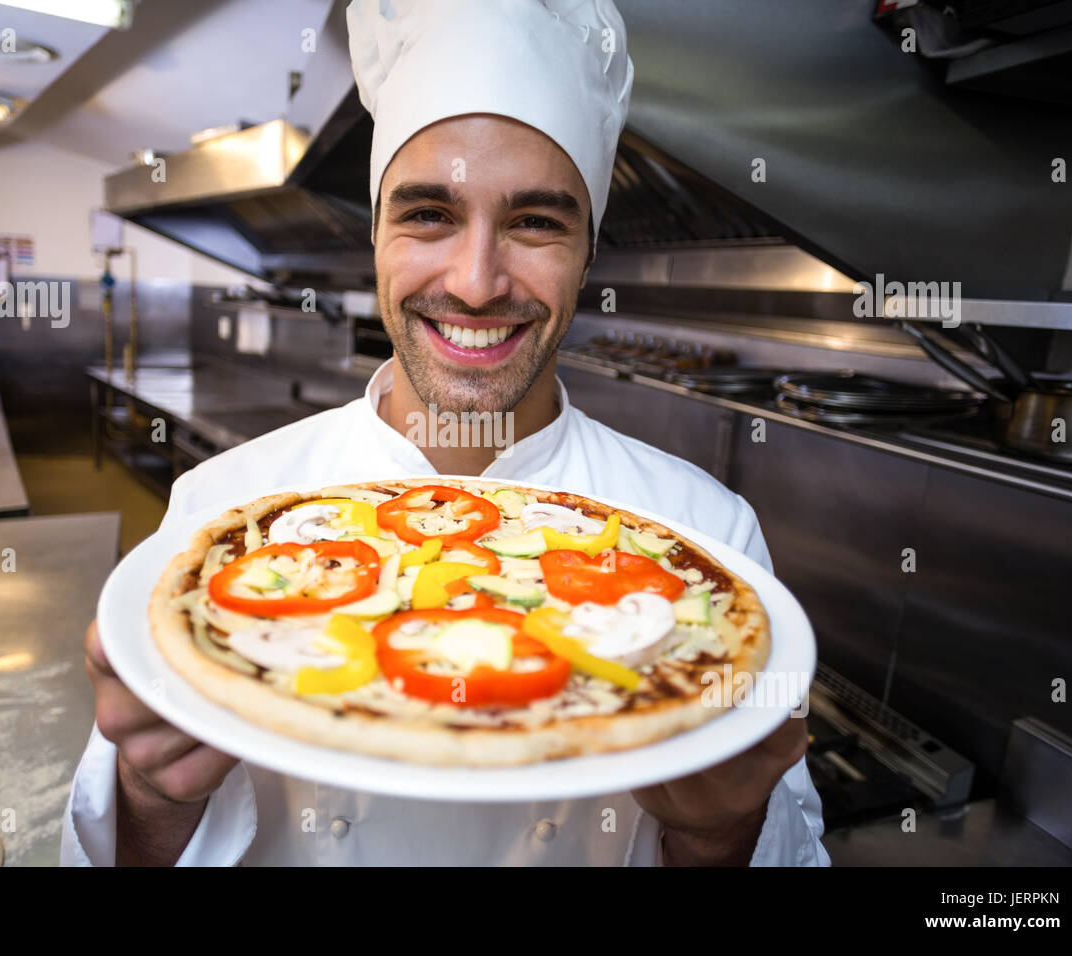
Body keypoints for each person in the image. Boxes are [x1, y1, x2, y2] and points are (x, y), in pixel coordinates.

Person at [64, 0, 828, 866]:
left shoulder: (710, 538)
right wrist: (148, 794)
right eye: (428, 213)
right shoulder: (224, 508)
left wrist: (721, 828)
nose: (474, 283)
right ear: (378, 239)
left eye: (536, 222)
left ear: (587, 255)